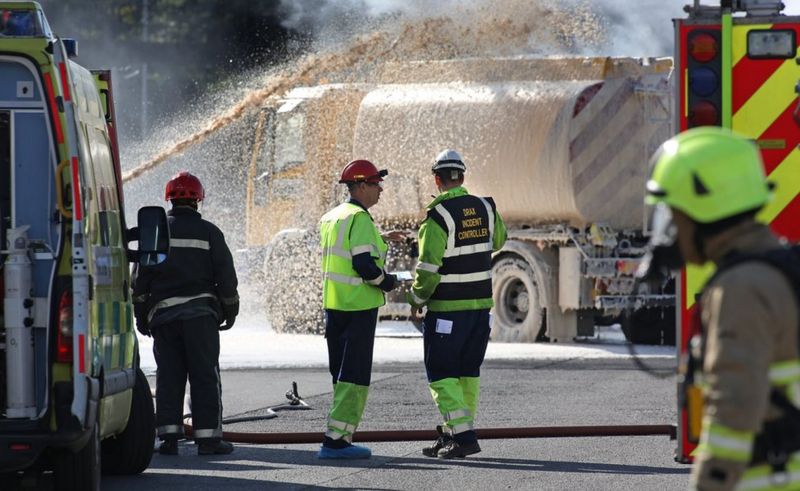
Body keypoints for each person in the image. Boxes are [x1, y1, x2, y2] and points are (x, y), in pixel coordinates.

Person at [640, 127, 800, 490]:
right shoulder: (780, 269)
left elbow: (735, 405)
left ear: (704, 210)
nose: (669, 231)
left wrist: (710, 483)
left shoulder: (740, 289)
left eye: (674, 215)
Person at [407, 149, 507, 459]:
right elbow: (499, 241)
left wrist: (415, 299)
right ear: (462, 177)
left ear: (437, 179)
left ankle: (463, 436)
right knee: (467, 372)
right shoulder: (485, 207)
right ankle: (454, 433)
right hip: (480, 310)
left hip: (448, 311)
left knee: (440, 373)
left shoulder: (438, 216)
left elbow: (428, 268)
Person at [132, 171, 240, 456]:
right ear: (198, 199)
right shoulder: (210, 232)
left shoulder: (155, 232)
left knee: (168, 375)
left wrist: (141, 315)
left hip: (164, 318)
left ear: (169, 198)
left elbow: (140, 280)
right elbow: (226, 278)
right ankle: (208, 439)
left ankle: (168, 438)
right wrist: (231, 310)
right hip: (200, 317)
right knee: (204, 375)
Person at [318, 159, 400, 459]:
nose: (380, 189)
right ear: (361, 186)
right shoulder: (360, 219)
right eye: (377, 184)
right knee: (354, 376)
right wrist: (387, 282)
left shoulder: (332, 217)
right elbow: (364, 265)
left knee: (340, 374)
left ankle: (337, 436)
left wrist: (382, 239)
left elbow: (346, 253)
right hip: (359, 306)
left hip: (335, 305)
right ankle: (336, 441)